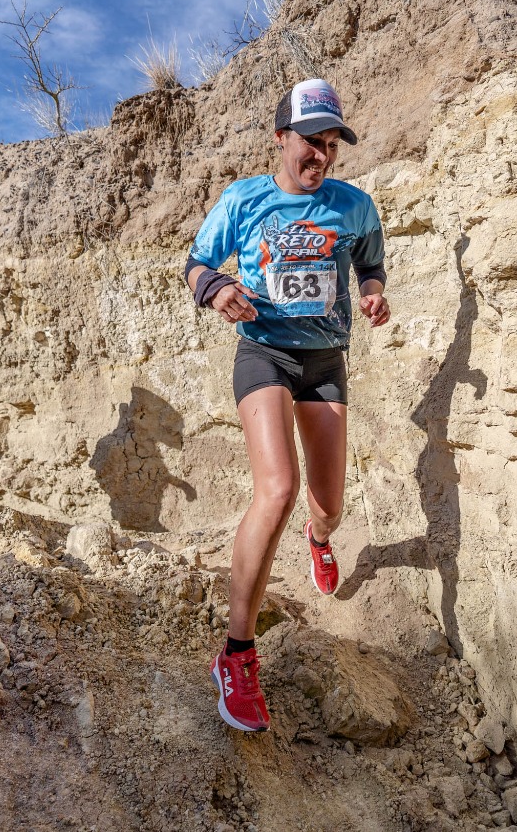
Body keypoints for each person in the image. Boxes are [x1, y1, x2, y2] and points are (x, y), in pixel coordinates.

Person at [186, 78, 390, 732]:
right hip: (265, 352)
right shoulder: (243, 200)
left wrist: (372, 292)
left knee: (328, 505)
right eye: (311, 142)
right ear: (281, 138)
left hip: (325, 363)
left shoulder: (352, 206)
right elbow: (196, 263)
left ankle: (318, 538)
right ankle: (236, 654)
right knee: (278, 488)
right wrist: (217, 289)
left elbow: (370, 261)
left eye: (331, 144)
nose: (321, 156)